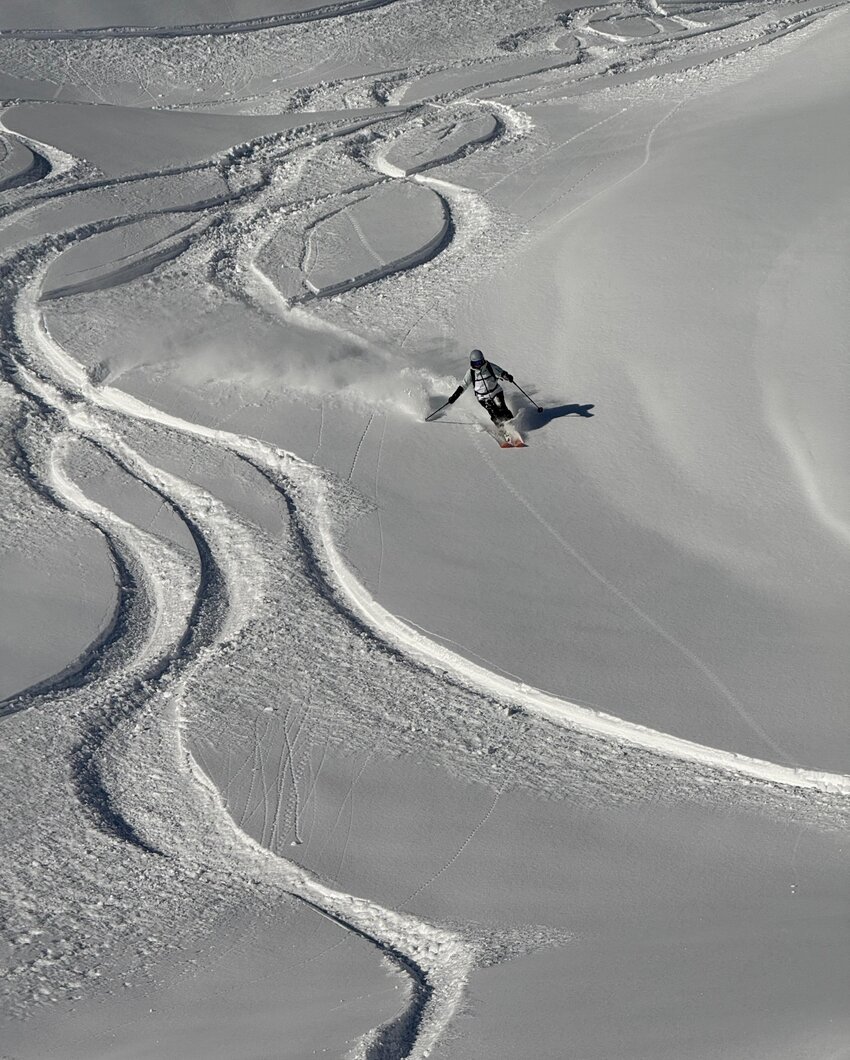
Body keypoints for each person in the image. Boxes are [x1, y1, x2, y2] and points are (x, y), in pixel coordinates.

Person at [447, 349, 515, 424]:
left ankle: (512, 423)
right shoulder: (471, 372)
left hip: (496, 391)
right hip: (483, 397)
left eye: (480, 362)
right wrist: (455, 396)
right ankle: (502, 429)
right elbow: (464, 385)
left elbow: (500, 372)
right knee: (494, 413)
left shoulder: (489, 366)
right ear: (472, 363)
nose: (479, 365)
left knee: (502, 408)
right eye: (476, 363)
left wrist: (507, 376)